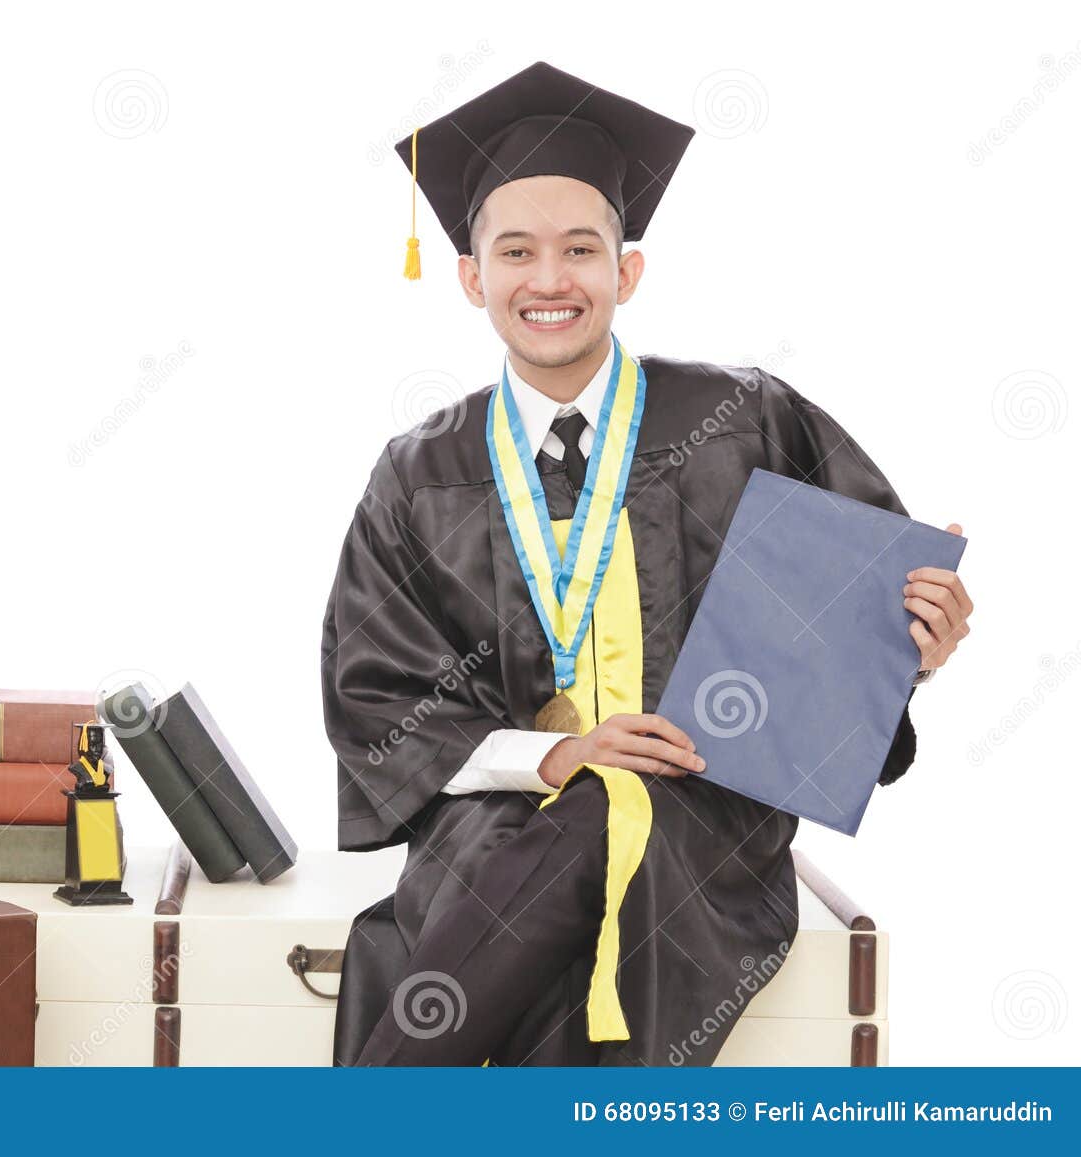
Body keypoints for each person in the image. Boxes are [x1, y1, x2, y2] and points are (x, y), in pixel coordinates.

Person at [320, 60, 976, 1066]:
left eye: (581, 249)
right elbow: (373, 699)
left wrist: (920, 642)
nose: (550, 279)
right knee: (575, 838)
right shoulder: (422, 473)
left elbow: (853, 617)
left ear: (626, 270)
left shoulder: (741, 418)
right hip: (494, 819)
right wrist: (553, 753)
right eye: (517, 251)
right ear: (471, 276)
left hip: (700, 812)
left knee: (616, 824)